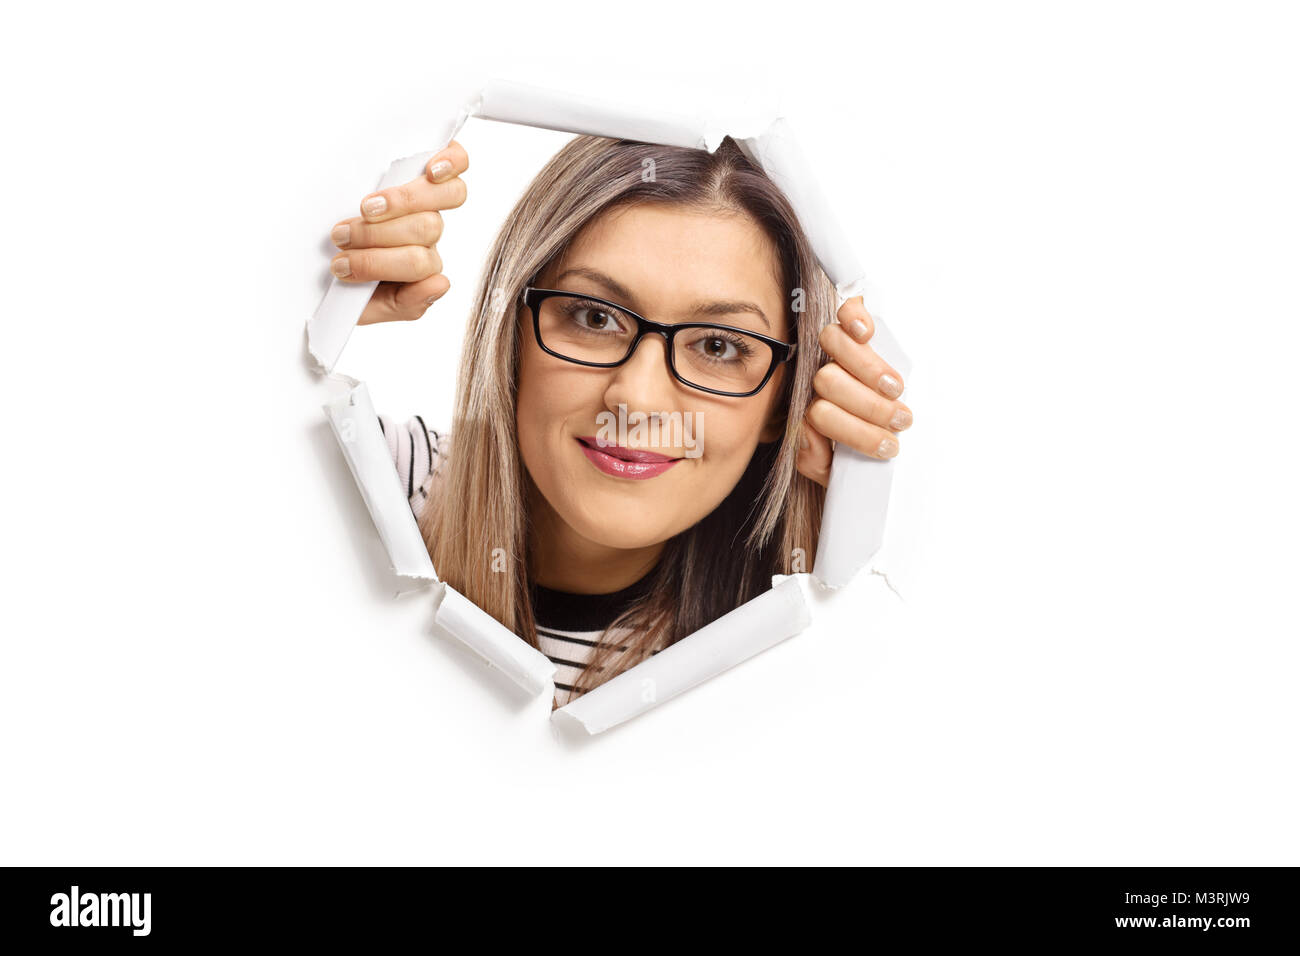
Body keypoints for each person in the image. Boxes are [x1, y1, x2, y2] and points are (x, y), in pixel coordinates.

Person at [327, 135, 913, 708]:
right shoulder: (367, 483)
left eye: (718, 347)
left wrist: (844, 529)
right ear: (510, 341)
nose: (638, 398)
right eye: (593, 316)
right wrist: (316, 301)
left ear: (784, 405)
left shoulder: (785, 649)